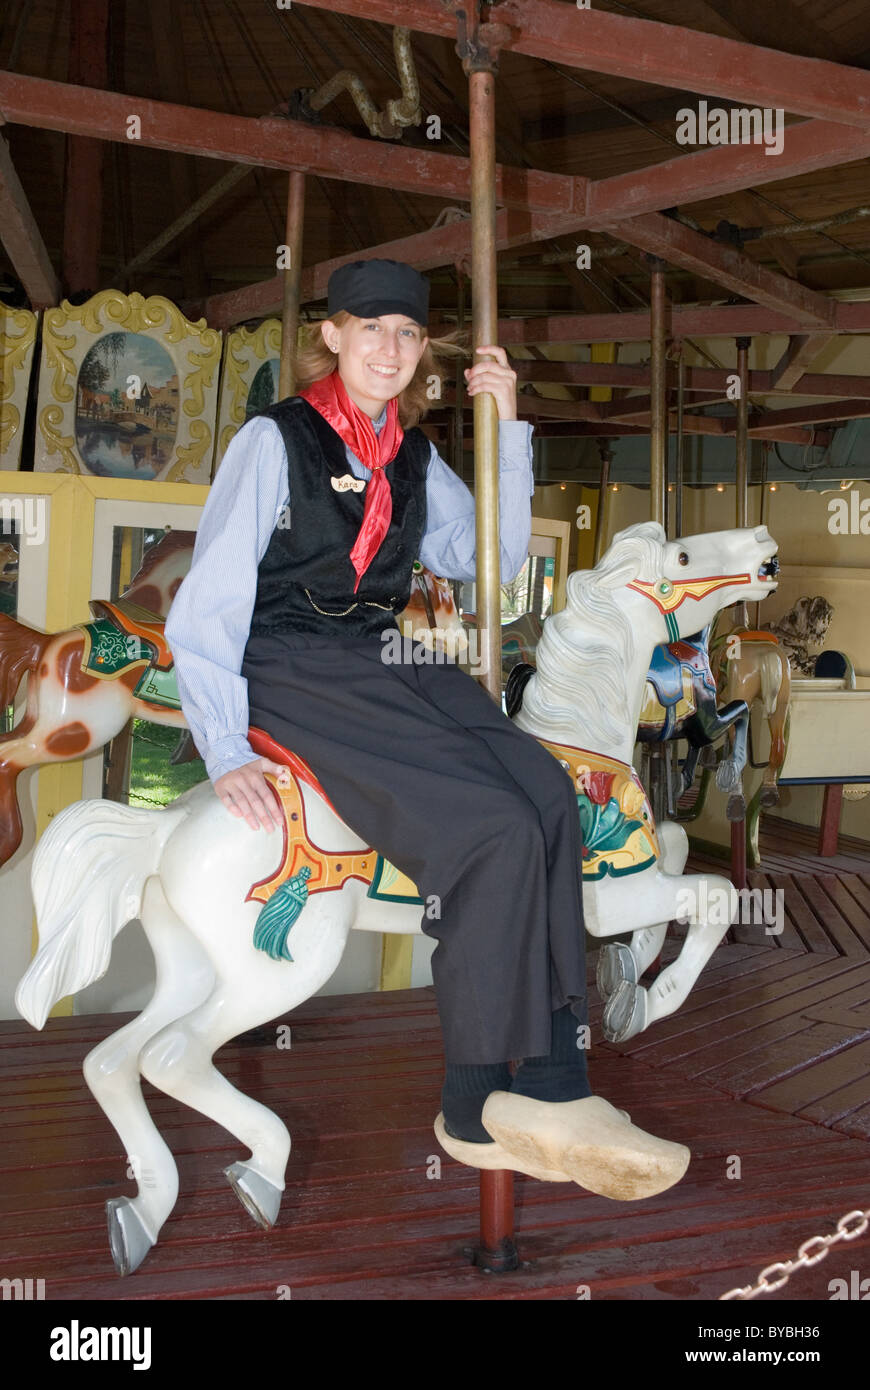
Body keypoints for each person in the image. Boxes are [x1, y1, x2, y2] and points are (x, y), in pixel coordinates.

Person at [165, 259, 689, 1198]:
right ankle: (473, 1096)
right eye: (371, 328)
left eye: (408, 333)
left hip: (378, 652)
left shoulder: (411, 455)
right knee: (489, 826)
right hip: (289, 660)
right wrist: (225, 744)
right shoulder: (274, 439)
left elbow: (489, 558)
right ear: (332, 335)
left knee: (546, 793)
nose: (390, 348)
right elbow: (211, 596)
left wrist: (508, 426)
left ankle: (557, 1076)